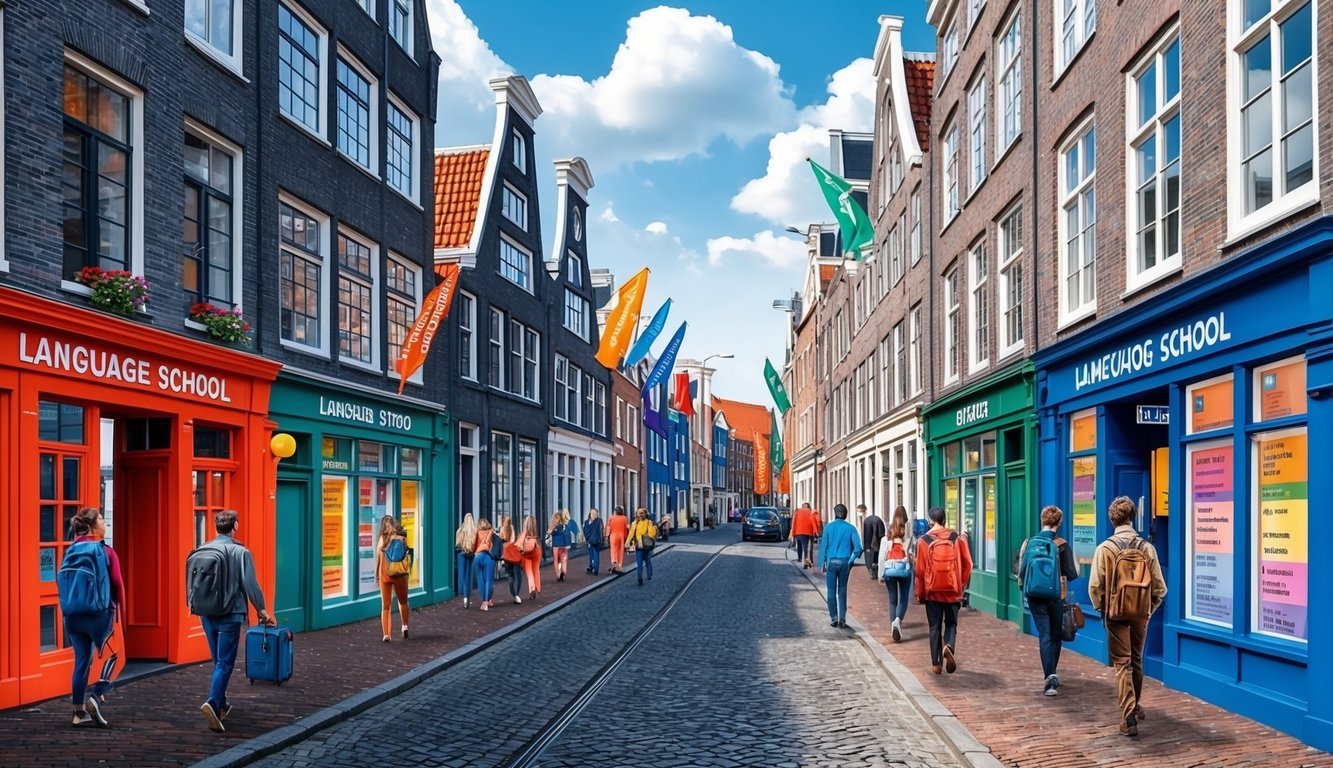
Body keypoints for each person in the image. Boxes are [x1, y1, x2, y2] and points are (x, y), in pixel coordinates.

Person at [1088, 496, 1166, 737]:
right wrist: (1148, 610)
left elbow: (1094, 586)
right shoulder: (1147, 548)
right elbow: (1160, 588)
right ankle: (1136, 704)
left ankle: (1128, 717)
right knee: (1137, 660)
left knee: (1123, 664)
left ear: (1112, 519)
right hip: (1140, 614)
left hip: (1115, 613)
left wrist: (1103, 608)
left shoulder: (1105, 548)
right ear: (1132, 516)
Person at [197, 509, 274, 733]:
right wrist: (262, 610)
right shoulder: (240, 552)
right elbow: (251, 585)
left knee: (218, 660)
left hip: (206, 613)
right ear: (235, 526)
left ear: (216, 527)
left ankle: (220, 704)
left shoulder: (203, 549)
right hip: (230, 614)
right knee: (225, 663)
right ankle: (212, 703)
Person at [59, 508, 124, 727]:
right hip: (99, 613)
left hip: (72, 615)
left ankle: (78, 713)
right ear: (93, 527)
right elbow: (117, 585)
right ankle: (97, 696)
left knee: (81, 662)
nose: (105, 524)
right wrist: (121, 611)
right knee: (116, 655)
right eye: (103, 521)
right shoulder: (105, 551)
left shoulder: (71, 550)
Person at [1017, 505, 1080, 696]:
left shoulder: (1029, 543)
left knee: (1044, 635)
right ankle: (1052, 674)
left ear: (1042, 520)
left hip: (1034, 595)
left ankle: (1050, 676)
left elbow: (1021, 572)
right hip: (1055, 596)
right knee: (1055, 634)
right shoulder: (1061, 544)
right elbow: (1072, 574)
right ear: (1059, 522)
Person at [914, 506, 972, 676]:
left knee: (934, 626)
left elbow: (920, 570)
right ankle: (949, 646)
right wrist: (960, 585)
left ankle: (936, 664)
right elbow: (968, 564)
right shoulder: (956, 538)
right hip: (952, 590)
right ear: (945, 519)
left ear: (931, 520)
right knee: (951, 623)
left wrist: (920, 592)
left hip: (932, 591)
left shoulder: (923, 540)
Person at [819, 504, 862, 628]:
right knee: (842, 590)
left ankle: (833, 617)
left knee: (831, 590)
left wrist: (822, 563)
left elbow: (824, 547)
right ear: (846, 514)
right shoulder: (851, 528)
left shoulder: (828, 527)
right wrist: (851, 559)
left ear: (834, 513)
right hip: (844, 561)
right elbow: (858, 548)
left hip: (832, 561)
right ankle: (842, 618)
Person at [877, 506, 915, 642]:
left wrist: (881, 574)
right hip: (904, 570)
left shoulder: (886, 539)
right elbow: (912, 556)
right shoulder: (909, 537)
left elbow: (882, 558)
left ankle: (892, 625)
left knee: (892, 600)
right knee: (904, 599)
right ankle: (898, 620)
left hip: (890, 570)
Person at [375, 515, 410, 641]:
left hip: (385, 574)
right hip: (400, 573)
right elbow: (407, 555)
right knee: (403, 602)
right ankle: (405, 626)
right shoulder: (402, 538)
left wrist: (376, 574)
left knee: (386, 605)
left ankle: (387, 634)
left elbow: (378, 559)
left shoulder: (382, 539)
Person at [627, 508, 659, 586]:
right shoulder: (649, 522)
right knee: (648, 561)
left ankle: (639, 577)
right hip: (647, 545)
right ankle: (649, 575)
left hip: (639, 545)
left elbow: (631, 534)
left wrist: (627, 543)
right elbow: (652, 534)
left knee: (639, 562)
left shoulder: (635, 523)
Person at [498, 516, 524, 604]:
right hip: (513, 553)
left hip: (506, 554)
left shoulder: (502, 529)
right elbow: (513, 540)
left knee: (510, 574)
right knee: (518, 574)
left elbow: (500, 540)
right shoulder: (511, 528)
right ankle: (517, 593)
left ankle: (513, 593)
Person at [473, 519, 497, 611]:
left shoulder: (476, 533)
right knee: (488, 580)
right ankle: (486, 602)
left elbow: (473, 545)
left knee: (480, 579)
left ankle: (486, 600)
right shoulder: (492, 533)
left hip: (477, 557)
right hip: (489, 557)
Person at [455, 513, 477, 608]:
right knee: (469, 575)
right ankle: (467, 596)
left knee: (462, 575)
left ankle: (463, 595)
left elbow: (457, 544)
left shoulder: (460, 531)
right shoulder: (475, 531)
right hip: (471, 554)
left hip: (462, 554)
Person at [789, 502, 821, 568]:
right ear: (808, 507)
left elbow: (793, 522)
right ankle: (807, 560)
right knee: (806, 547)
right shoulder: (811, 512)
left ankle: (800, 558)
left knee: (799, 545)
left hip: (798, 532)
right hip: (808, 532)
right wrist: (816, 532)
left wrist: (792, 533)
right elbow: (814, 521)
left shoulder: (797, 512)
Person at [518, 515, 542, 601]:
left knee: (529, 572)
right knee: (536, 569)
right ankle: (537, 587)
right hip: (536, 550)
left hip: (526, 554)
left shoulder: (524, 532)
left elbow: (518, 544)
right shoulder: (535, 532)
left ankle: (532, 589)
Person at [860, 504, 885, 581]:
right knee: (877, 550)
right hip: (878, 539)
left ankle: (872, 569)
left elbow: (865, 536)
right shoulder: (877, 519)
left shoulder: (866, 521)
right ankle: (875, 567)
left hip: (869, 541)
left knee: (869, 551)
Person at [549, 510, 575, 582]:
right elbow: (567, 535)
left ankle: (558, 574)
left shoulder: (553, 527)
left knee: (556, 561)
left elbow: (548, 534)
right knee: (564, 560)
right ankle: (563, 573)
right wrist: (568, 544)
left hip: (555, 545)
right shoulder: (565, 526)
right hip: (563, 545)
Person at [606, 506, 630, 574]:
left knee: (613, 550)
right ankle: (619, 565)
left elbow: (608, 527)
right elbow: (626, 528)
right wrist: (625, 537)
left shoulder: (611, 518)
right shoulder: (624, 518)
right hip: (621, 536)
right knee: (620, 550)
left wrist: (607, 535)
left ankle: (614, 562)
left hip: (613, 536)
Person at [583, 509, 604, 576]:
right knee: (595, 554)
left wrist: (587, 539)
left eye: (595, 513)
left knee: (592, 554)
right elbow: (601, 530)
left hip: (591, 540)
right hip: (596, 540)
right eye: (594, 513)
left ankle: (593, 567)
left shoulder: (587, 522)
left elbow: (585, 531)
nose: (595, 515)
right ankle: (594, 568)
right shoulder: (599, 521)